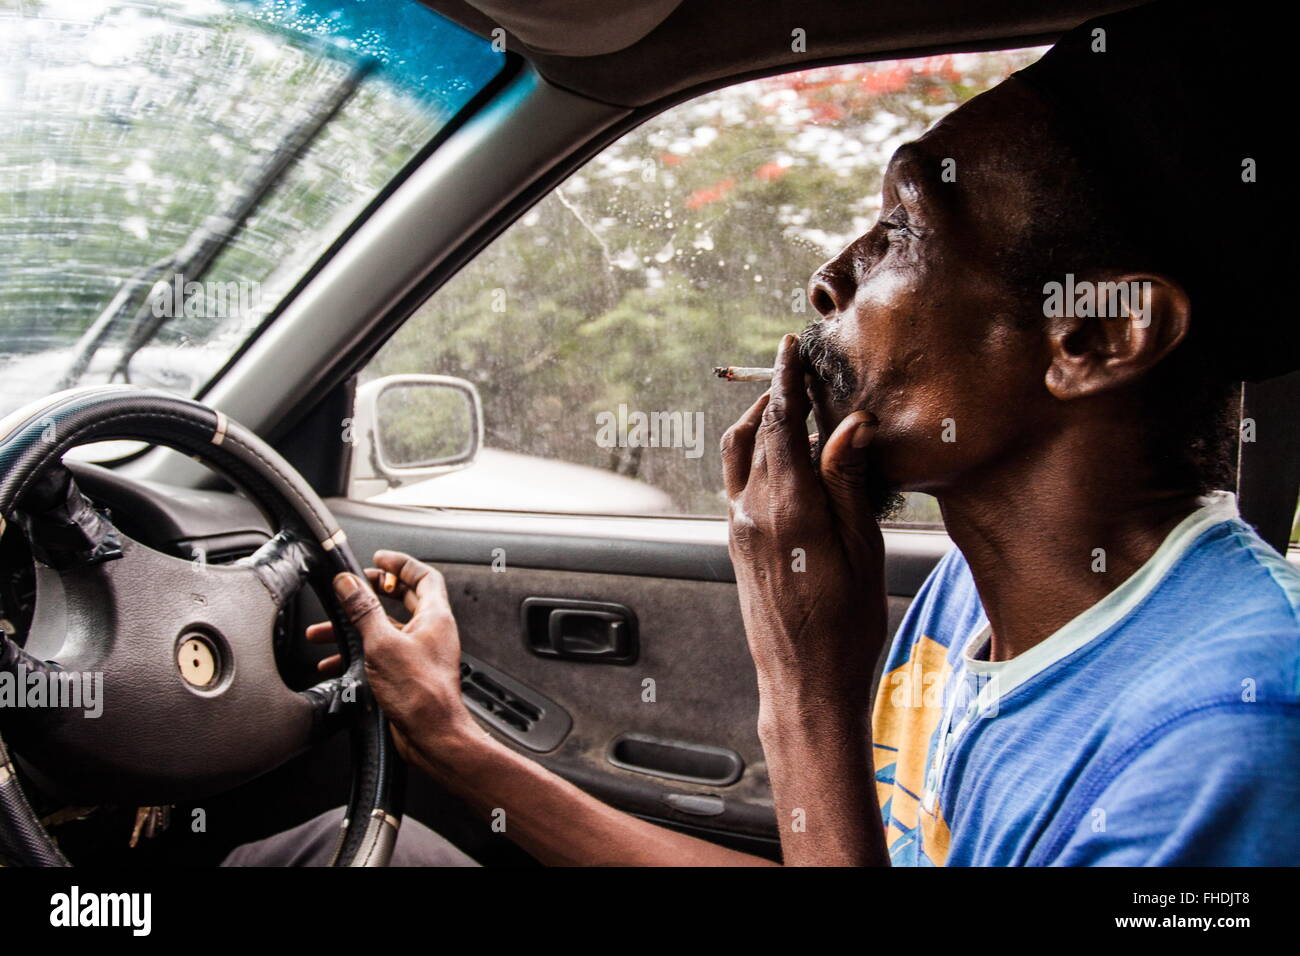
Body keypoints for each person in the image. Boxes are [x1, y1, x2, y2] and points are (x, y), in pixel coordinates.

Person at [226, 0, 1299, 866]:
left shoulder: (1226, 737)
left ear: (1097, 333)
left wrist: (803, 679)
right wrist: (453, 739)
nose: (830, 275)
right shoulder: (977, 590)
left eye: (904, 231)